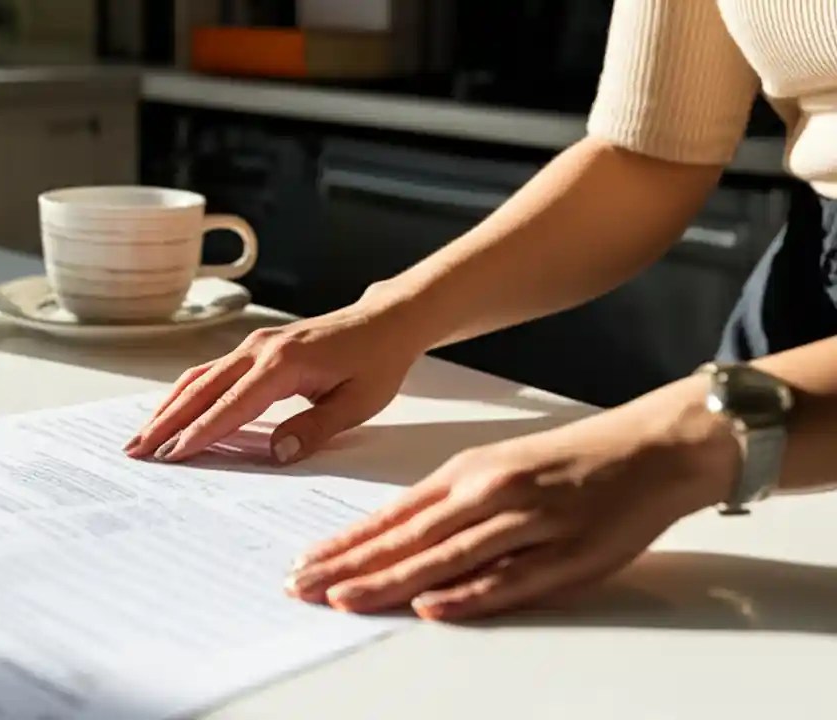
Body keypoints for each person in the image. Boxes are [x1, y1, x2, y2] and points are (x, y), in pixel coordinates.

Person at [122, 0, 837, 621]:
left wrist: (679, 435)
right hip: (795, 324)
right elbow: (649, 153)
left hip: (756, 410)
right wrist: (389, 316)